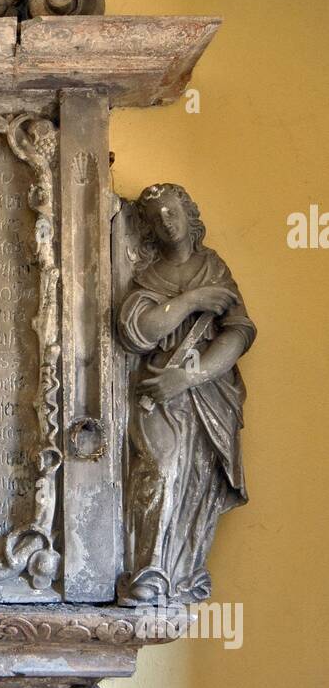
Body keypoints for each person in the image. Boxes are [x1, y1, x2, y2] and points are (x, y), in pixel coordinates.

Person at [117, 183, 256, 604]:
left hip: (206, 393)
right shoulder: (148, 278)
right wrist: (193, 300)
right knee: (158, 470)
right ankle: (147, 568)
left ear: (189, 215)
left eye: (173, 212)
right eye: (157, 217)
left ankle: (182, 571)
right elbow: (141, 332)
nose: (166, 222)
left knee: (198, 479)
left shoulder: (214, 267)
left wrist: (191, 377)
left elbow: (239, 332)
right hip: (156, 393)